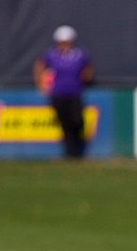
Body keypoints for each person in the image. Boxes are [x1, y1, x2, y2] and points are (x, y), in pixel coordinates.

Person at [34, 25, 94, 159]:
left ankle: (78, 148)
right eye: (61, 42)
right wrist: (41, 83)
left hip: (75, 93)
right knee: (65, 123)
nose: (64, 45)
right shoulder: (51, 54)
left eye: (66, 42)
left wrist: (86, 78)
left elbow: (87, 69)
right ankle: (70, 153)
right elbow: (40, 65)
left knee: (77, 121)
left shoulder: (79, 54)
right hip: (58, 93)